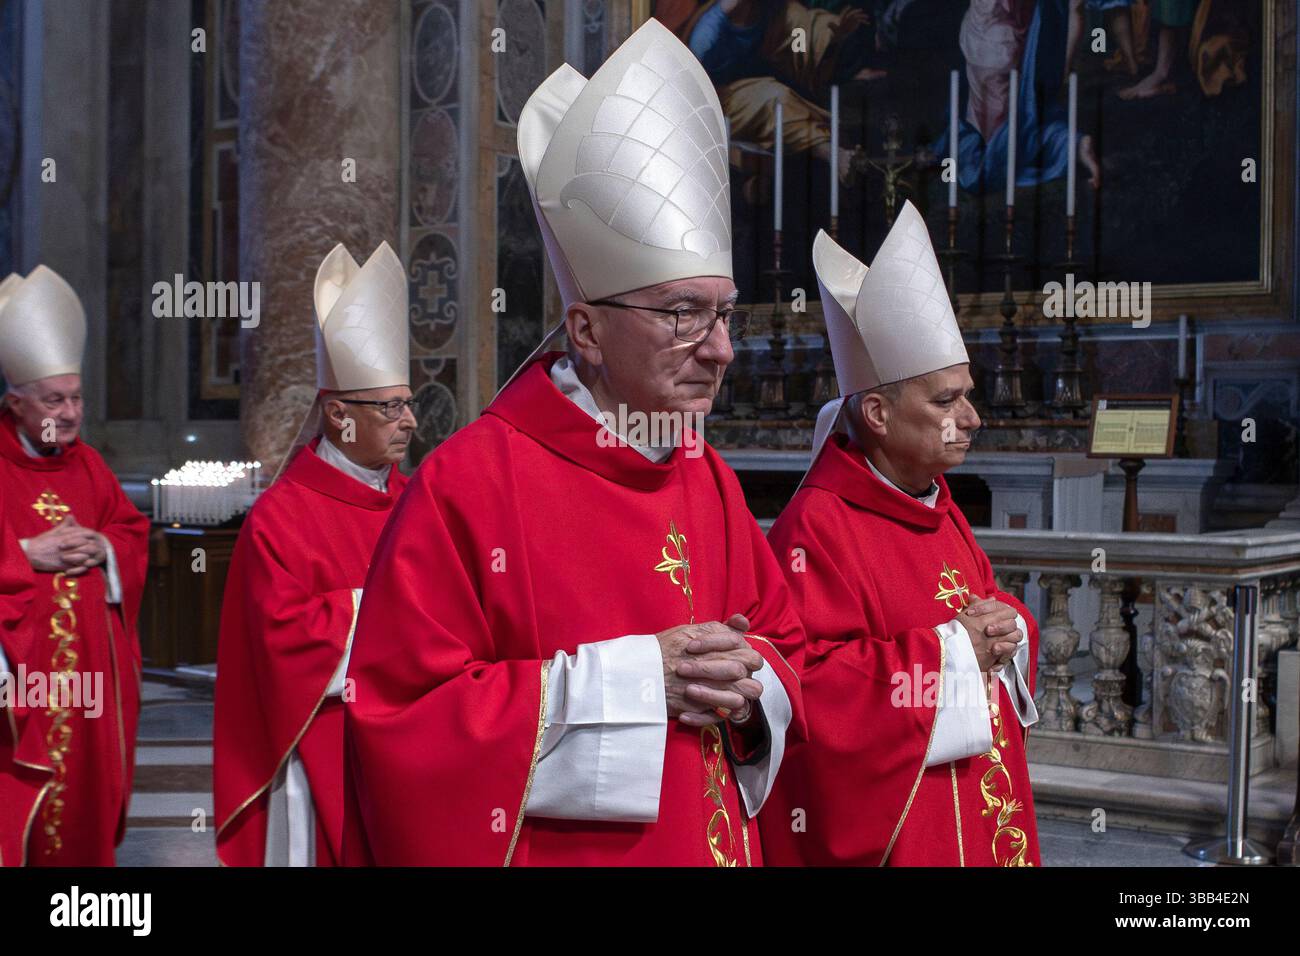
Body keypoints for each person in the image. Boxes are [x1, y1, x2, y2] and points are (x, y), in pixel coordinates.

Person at [342, 18, 804, 866]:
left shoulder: (709, 476)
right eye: (681, 313)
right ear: (586, 329)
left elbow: (786, 646)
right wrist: (637, 682)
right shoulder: (470, 484)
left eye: (725, 310)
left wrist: (748, 683)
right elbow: (401, 719)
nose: (721, 347)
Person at [760, 202, 1041, 866]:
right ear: (880, 412)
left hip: (980, 809)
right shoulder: (816, 529)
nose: (970, 419)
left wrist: (1012, 628)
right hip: (904, 834)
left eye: (967, 395)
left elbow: (983, 614)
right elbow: (804, 696)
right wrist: (950, 654)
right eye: (946, 401)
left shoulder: (937, 505)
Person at [214, 241, 414, 866]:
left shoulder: (420, 503)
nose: (409, 421)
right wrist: (380, 610)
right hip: (318, 745)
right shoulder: (281, 517)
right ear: (337, 414)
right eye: (390, 407)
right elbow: (278, 641)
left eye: (407, 403)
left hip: (409, 748)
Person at [0, 266, 149, 866]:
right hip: (21, 680)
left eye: (77, 397)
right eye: (53, 399)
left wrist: (105, 549)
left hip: (89, 684)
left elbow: (130, 529)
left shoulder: (89, 466)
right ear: (15, 402)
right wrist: (24, 554)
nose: (69, 412)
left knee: (83, 795)